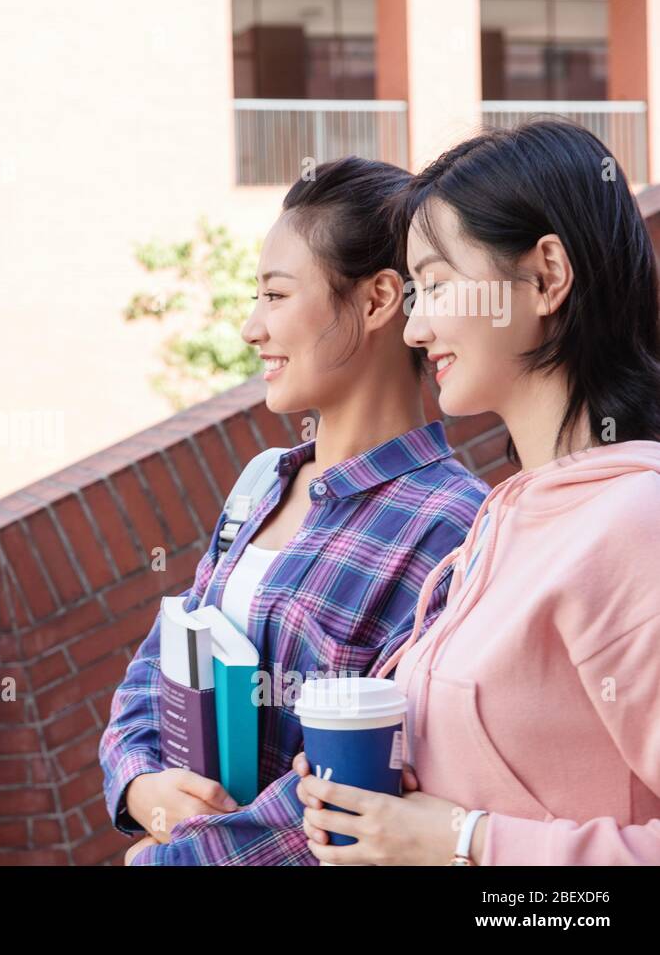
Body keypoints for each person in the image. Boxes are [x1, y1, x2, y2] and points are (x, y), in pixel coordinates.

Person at [99, 158, 489, 865]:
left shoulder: (454, 527)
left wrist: (170, 860)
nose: (252, 328)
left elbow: (361, 784)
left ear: (376, 302)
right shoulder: (260, 483)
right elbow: (156, 666)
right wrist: (142, 789)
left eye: (276, 296)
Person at [296, 121, 660, 865]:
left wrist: (467, 844)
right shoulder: (510, 518)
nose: (415, 327)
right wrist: (381, 806)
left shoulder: (634, 524)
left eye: (435, 283)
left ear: (546, 276)